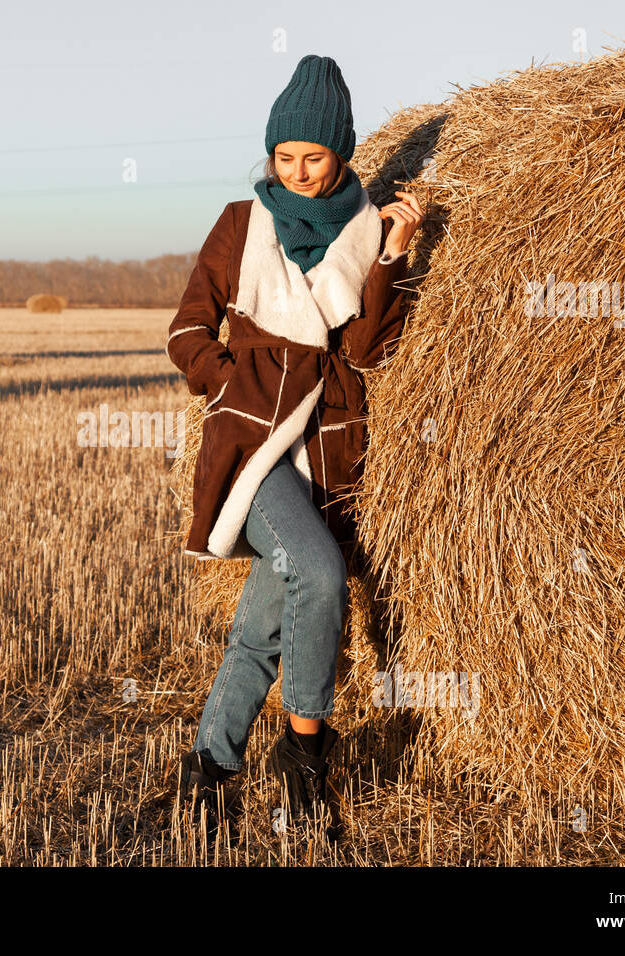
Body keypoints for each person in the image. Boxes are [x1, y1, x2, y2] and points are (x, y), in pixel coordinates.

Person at [165, 53, 423, 830]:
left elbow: (371, 351)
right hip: (253, 449)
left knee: (266, 621)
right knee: (317, 570)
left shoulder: (364, 227)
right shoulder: (241, 225)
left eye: (314, 157)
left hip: (326, 449)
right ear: (270, 154)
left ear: (341, 153)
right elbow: (183, 331)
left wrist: (393, 253)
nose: (300, 172)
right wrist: (228, 382)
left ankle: (209, 765)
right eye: (286, 157)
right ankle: (307, 752)